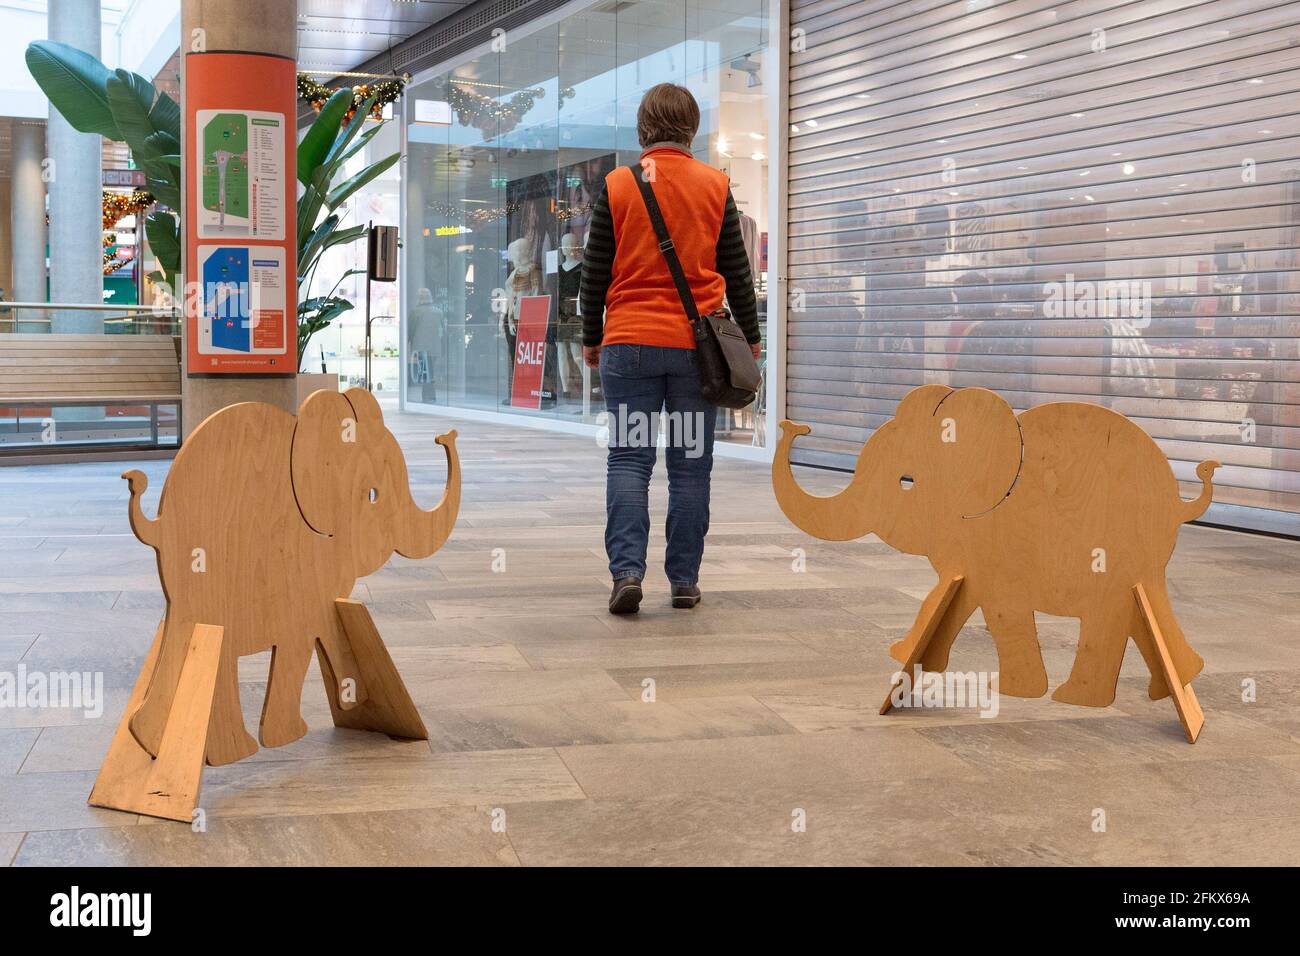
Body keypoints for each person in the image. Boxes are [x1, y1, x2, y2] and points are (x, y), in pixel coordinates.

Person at [580, 82, 761, 615]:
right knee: (689, 466)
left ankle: (627, 574)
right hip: (694, 351)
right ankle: (684, 580)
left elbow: (594, 272)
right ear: (692, 127)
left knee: (629, 461)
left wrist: (593, 336)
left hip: (630, 346)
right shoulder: (714, 185)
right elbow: (736, 272)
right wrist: (749, 338)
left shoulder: (618, 185)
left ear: (643, 128)